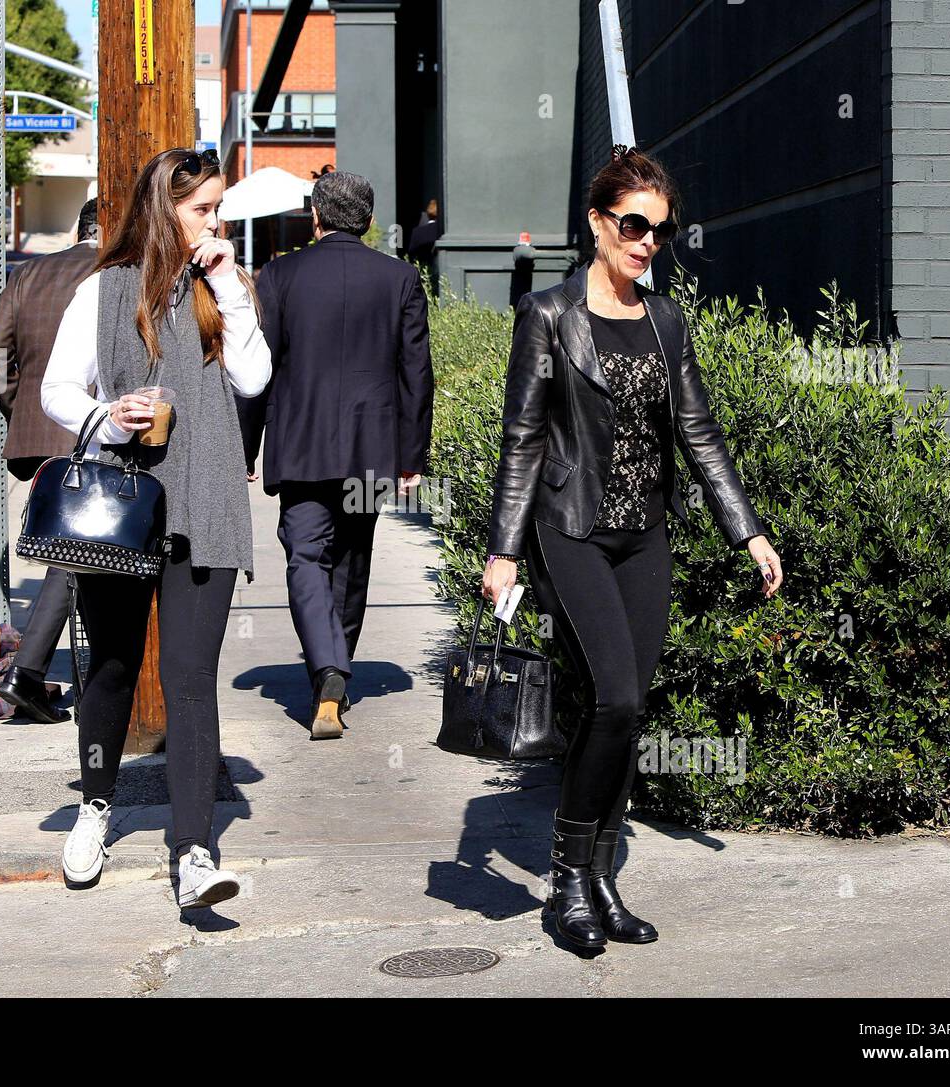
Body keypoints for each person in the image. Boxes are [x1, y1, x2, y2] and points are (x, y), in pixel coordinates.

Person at [482, 145, 784, 954]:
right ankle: (567, 882)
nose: (648, 241)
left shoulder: (666, 320)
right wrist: (504, 547)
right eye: (634, 224)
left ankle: (604, 878)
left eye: (661, 230)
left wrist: (745, 528)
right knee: (612, 696)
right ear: (597, 222)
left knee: (626, 711)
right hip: (569, 527)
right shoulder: (547, 315)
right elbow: (521, 438)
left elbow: (698, 433)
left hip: (643, 535)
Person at [41, 148, 270, 910]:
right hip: (124, 507)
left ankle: (195, 850)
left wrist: (229, 284)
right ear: (165, 209)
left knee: (189, 680)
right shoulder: (104, 290)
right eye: (203, 208)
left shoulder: (222, 288)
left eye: (219, 208)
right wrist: (108, 415)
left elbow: (255, 378)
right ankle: (95, 806)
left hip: (203, 504)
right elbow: (55, 391)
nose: (216, 221)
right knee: (108, 667)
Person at [255, 171, 434, 740]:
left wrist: (244, 444)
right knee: (353, 560)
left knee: (306, 556)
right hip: (372, 446)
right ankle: (334, 676)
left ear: (316, 216)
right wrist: (412, 456)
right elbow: (417, 376)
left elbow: (257, 372)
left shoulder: (279, 275)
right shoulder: (401, 278)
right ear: (369, 220)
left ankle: (327, 668)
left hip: (302, 444)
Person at [0, 198, 102, 723]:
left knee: (73, 551)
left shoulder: (30, 272)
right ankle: (29, 671)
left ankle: (35, 671)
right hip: (93, 430)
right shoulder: (114, 273)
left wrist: (19, 404)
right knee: (77, 552)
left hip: (35, 436)